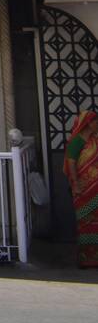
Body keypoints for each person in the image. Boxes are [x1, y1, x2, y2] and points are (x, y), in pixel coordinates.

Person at [63, 109, 98, 270]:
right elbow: (71, 163)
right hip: (82, 190)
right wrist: (75, 184)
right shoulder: (77, 142)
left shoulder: (94, 140)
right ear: (88, 123)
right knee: (85, 223)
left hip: (96, 189)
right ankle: (86, 259)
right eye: (95, 120)